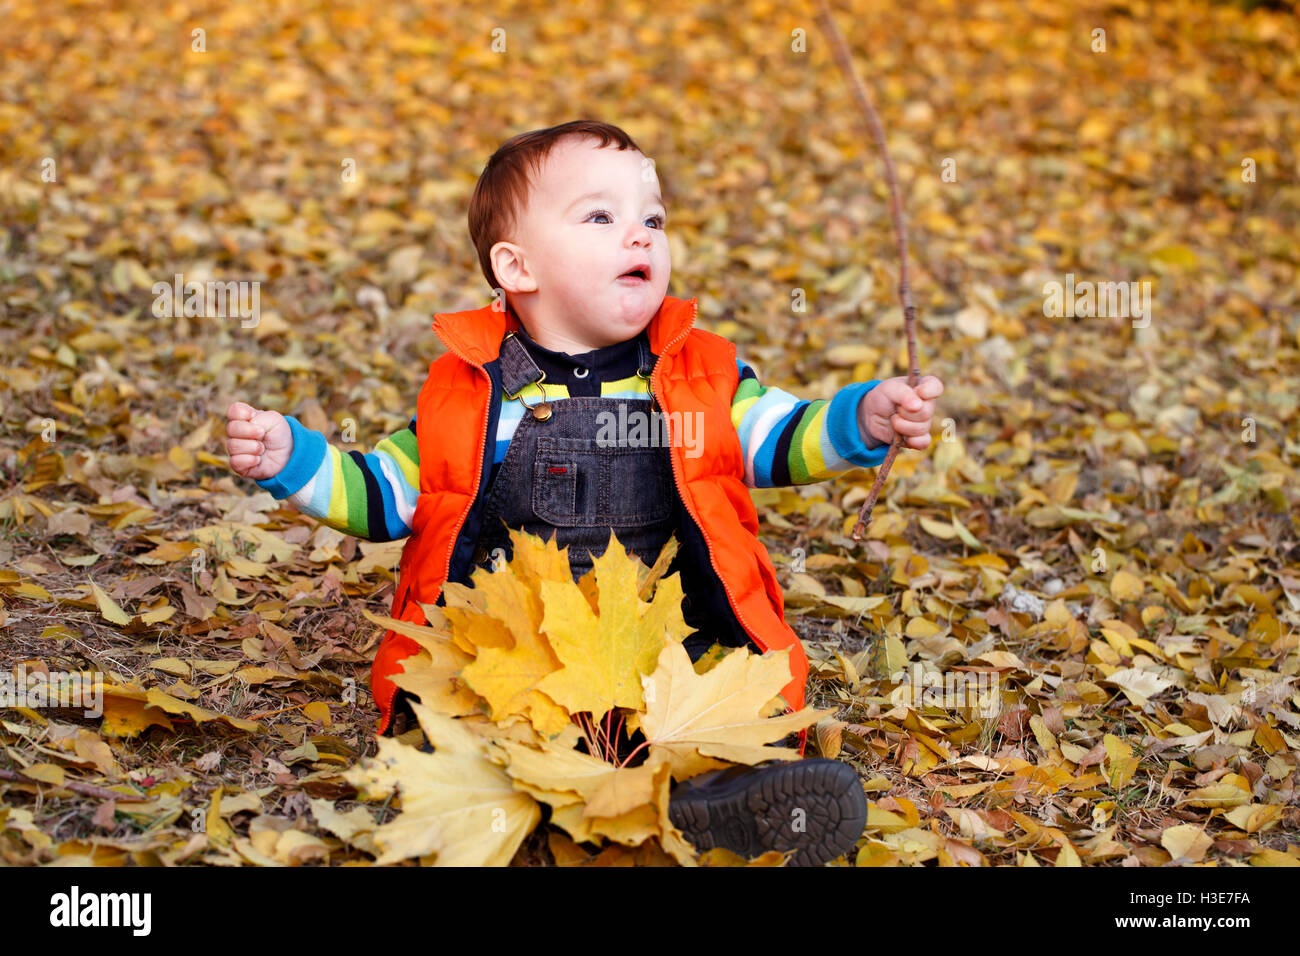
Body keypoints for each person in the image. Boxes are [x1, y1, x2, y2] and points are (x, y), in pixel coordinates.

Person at [225, 119, 943, 865]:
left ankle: (723, 799)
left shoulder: (698, 378)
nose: (640, 236)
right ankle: (562, 799)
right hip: (519, 653)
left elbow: (783, 437)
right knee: (493, 733)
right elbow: (383, 496)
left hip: (668, 642)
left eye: (653, 219)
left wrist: (862, 416)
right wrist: (294, 459)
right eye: (601, 216)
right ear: (517, 267)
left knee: (710, 716)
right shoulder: (474, 397)